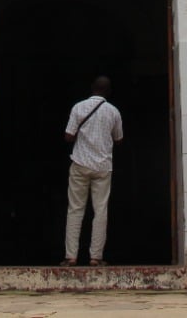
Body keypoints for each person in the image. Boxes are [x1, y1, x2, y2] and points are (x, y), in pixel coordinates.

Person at [62, 75, 123, 267]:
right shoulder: (113, 111)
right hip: (103, 167)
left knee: (75, 209)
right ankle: (95, 257)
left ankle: (71, 256)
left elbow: (68, 136)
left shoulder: (78, 107)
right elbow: (119, 138)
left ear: (92, 88)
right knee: (101, 210)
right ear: (109, 91)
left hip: (80, 164)